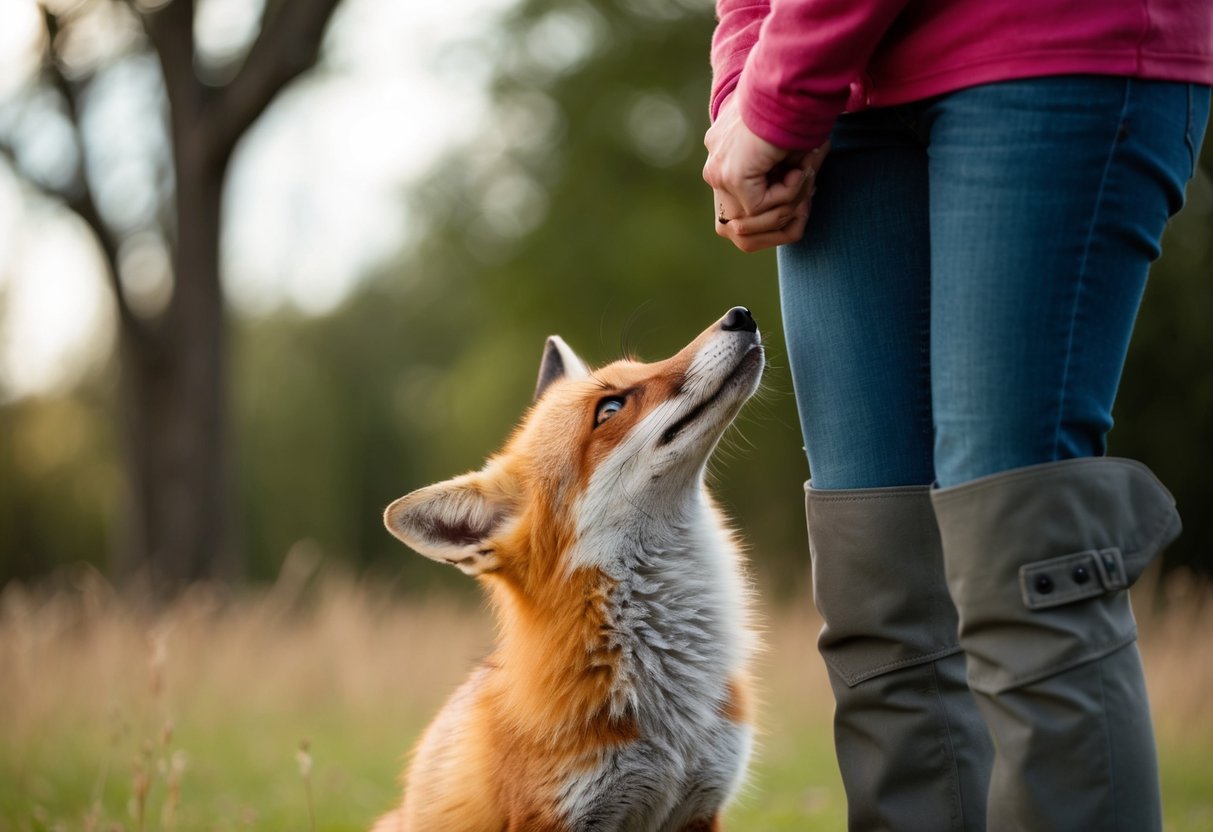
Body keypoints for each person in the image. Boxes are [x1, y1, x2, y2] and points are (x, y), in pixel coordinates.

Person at [702, 2, 1212, 830]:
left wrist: (776, 93)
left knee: (1025, 566)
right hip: (841, 94)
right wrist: (742, 86)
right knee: (880, 599)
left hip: (1038, 46)